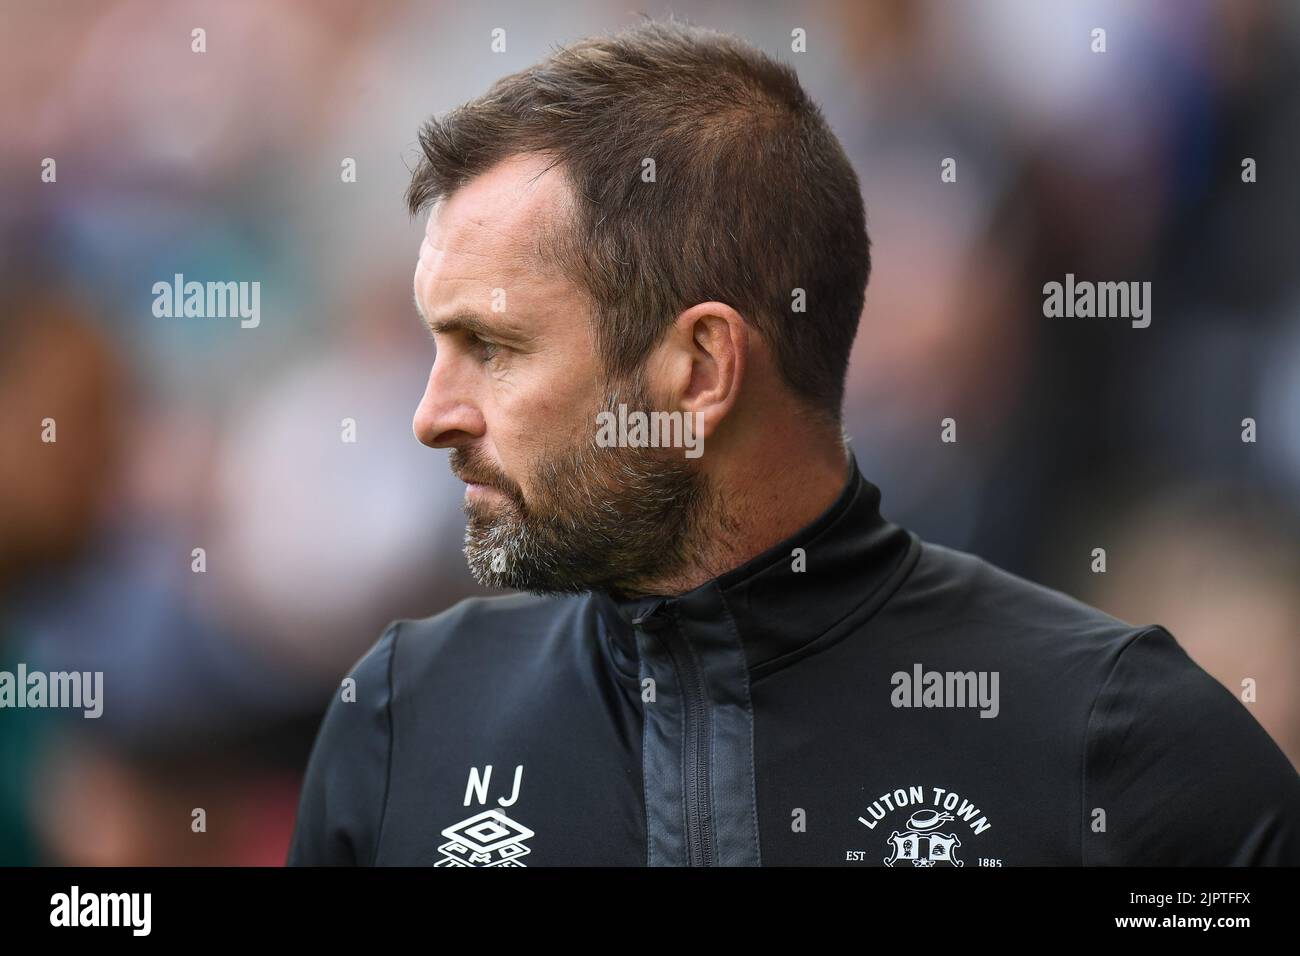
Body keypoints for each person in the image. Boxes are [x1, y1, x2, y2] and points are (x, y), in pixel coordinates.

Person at [286, 19, 1300, 867]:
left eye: (493, 348)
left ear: (699, 369)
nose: (432, 414)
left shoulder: (1117, 738)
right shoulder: (400, 720)